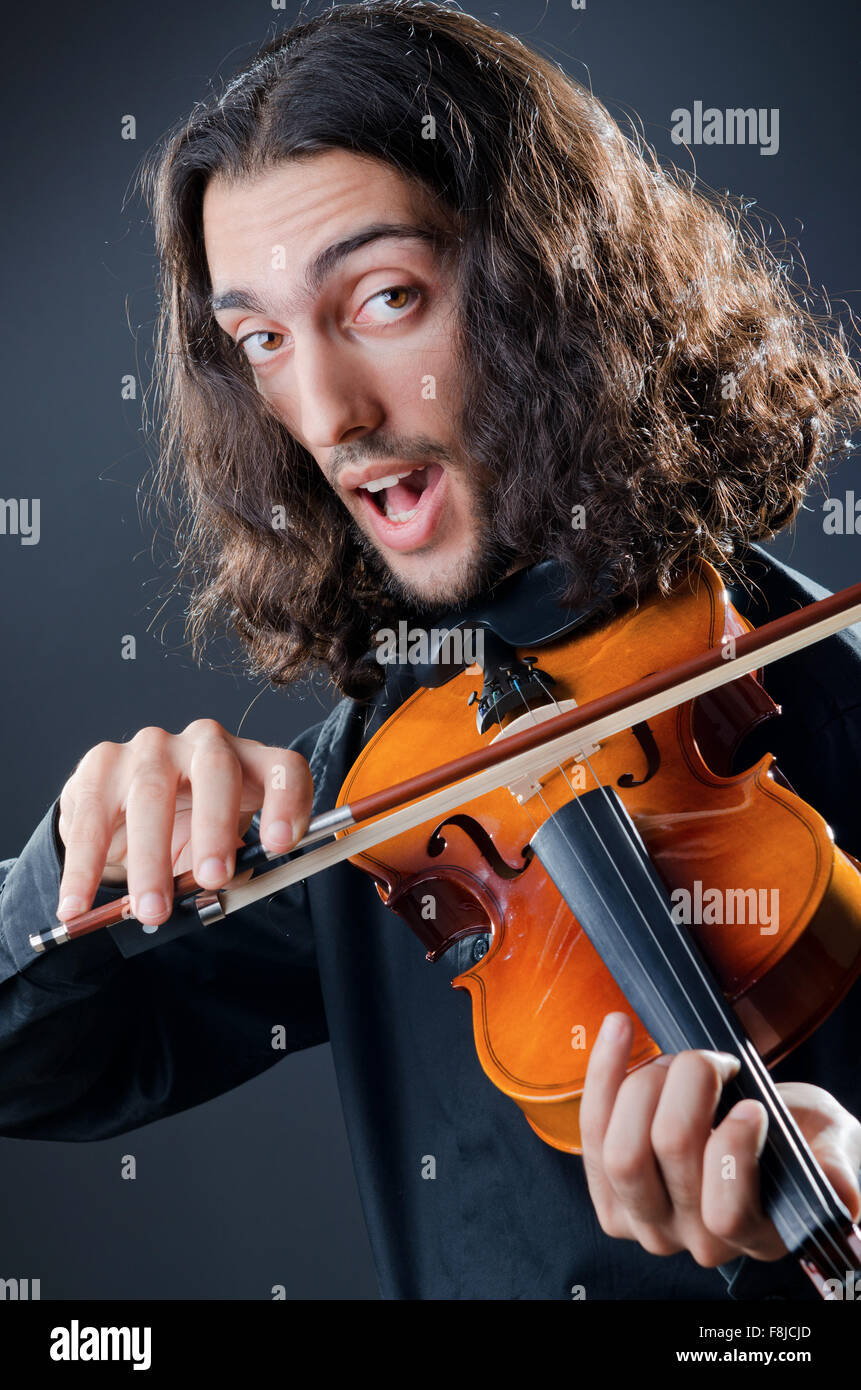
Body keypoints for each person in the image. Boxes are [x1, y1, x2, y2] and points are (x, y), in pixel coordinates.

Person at [1, 1, 860, 1301]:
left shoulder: (832, 681)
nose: (326, 413)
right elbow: (34, 1066)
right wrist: (67, 867)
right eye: (263, 340)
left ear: (552, 283)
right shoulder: (390, 797)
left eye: (385, 297)